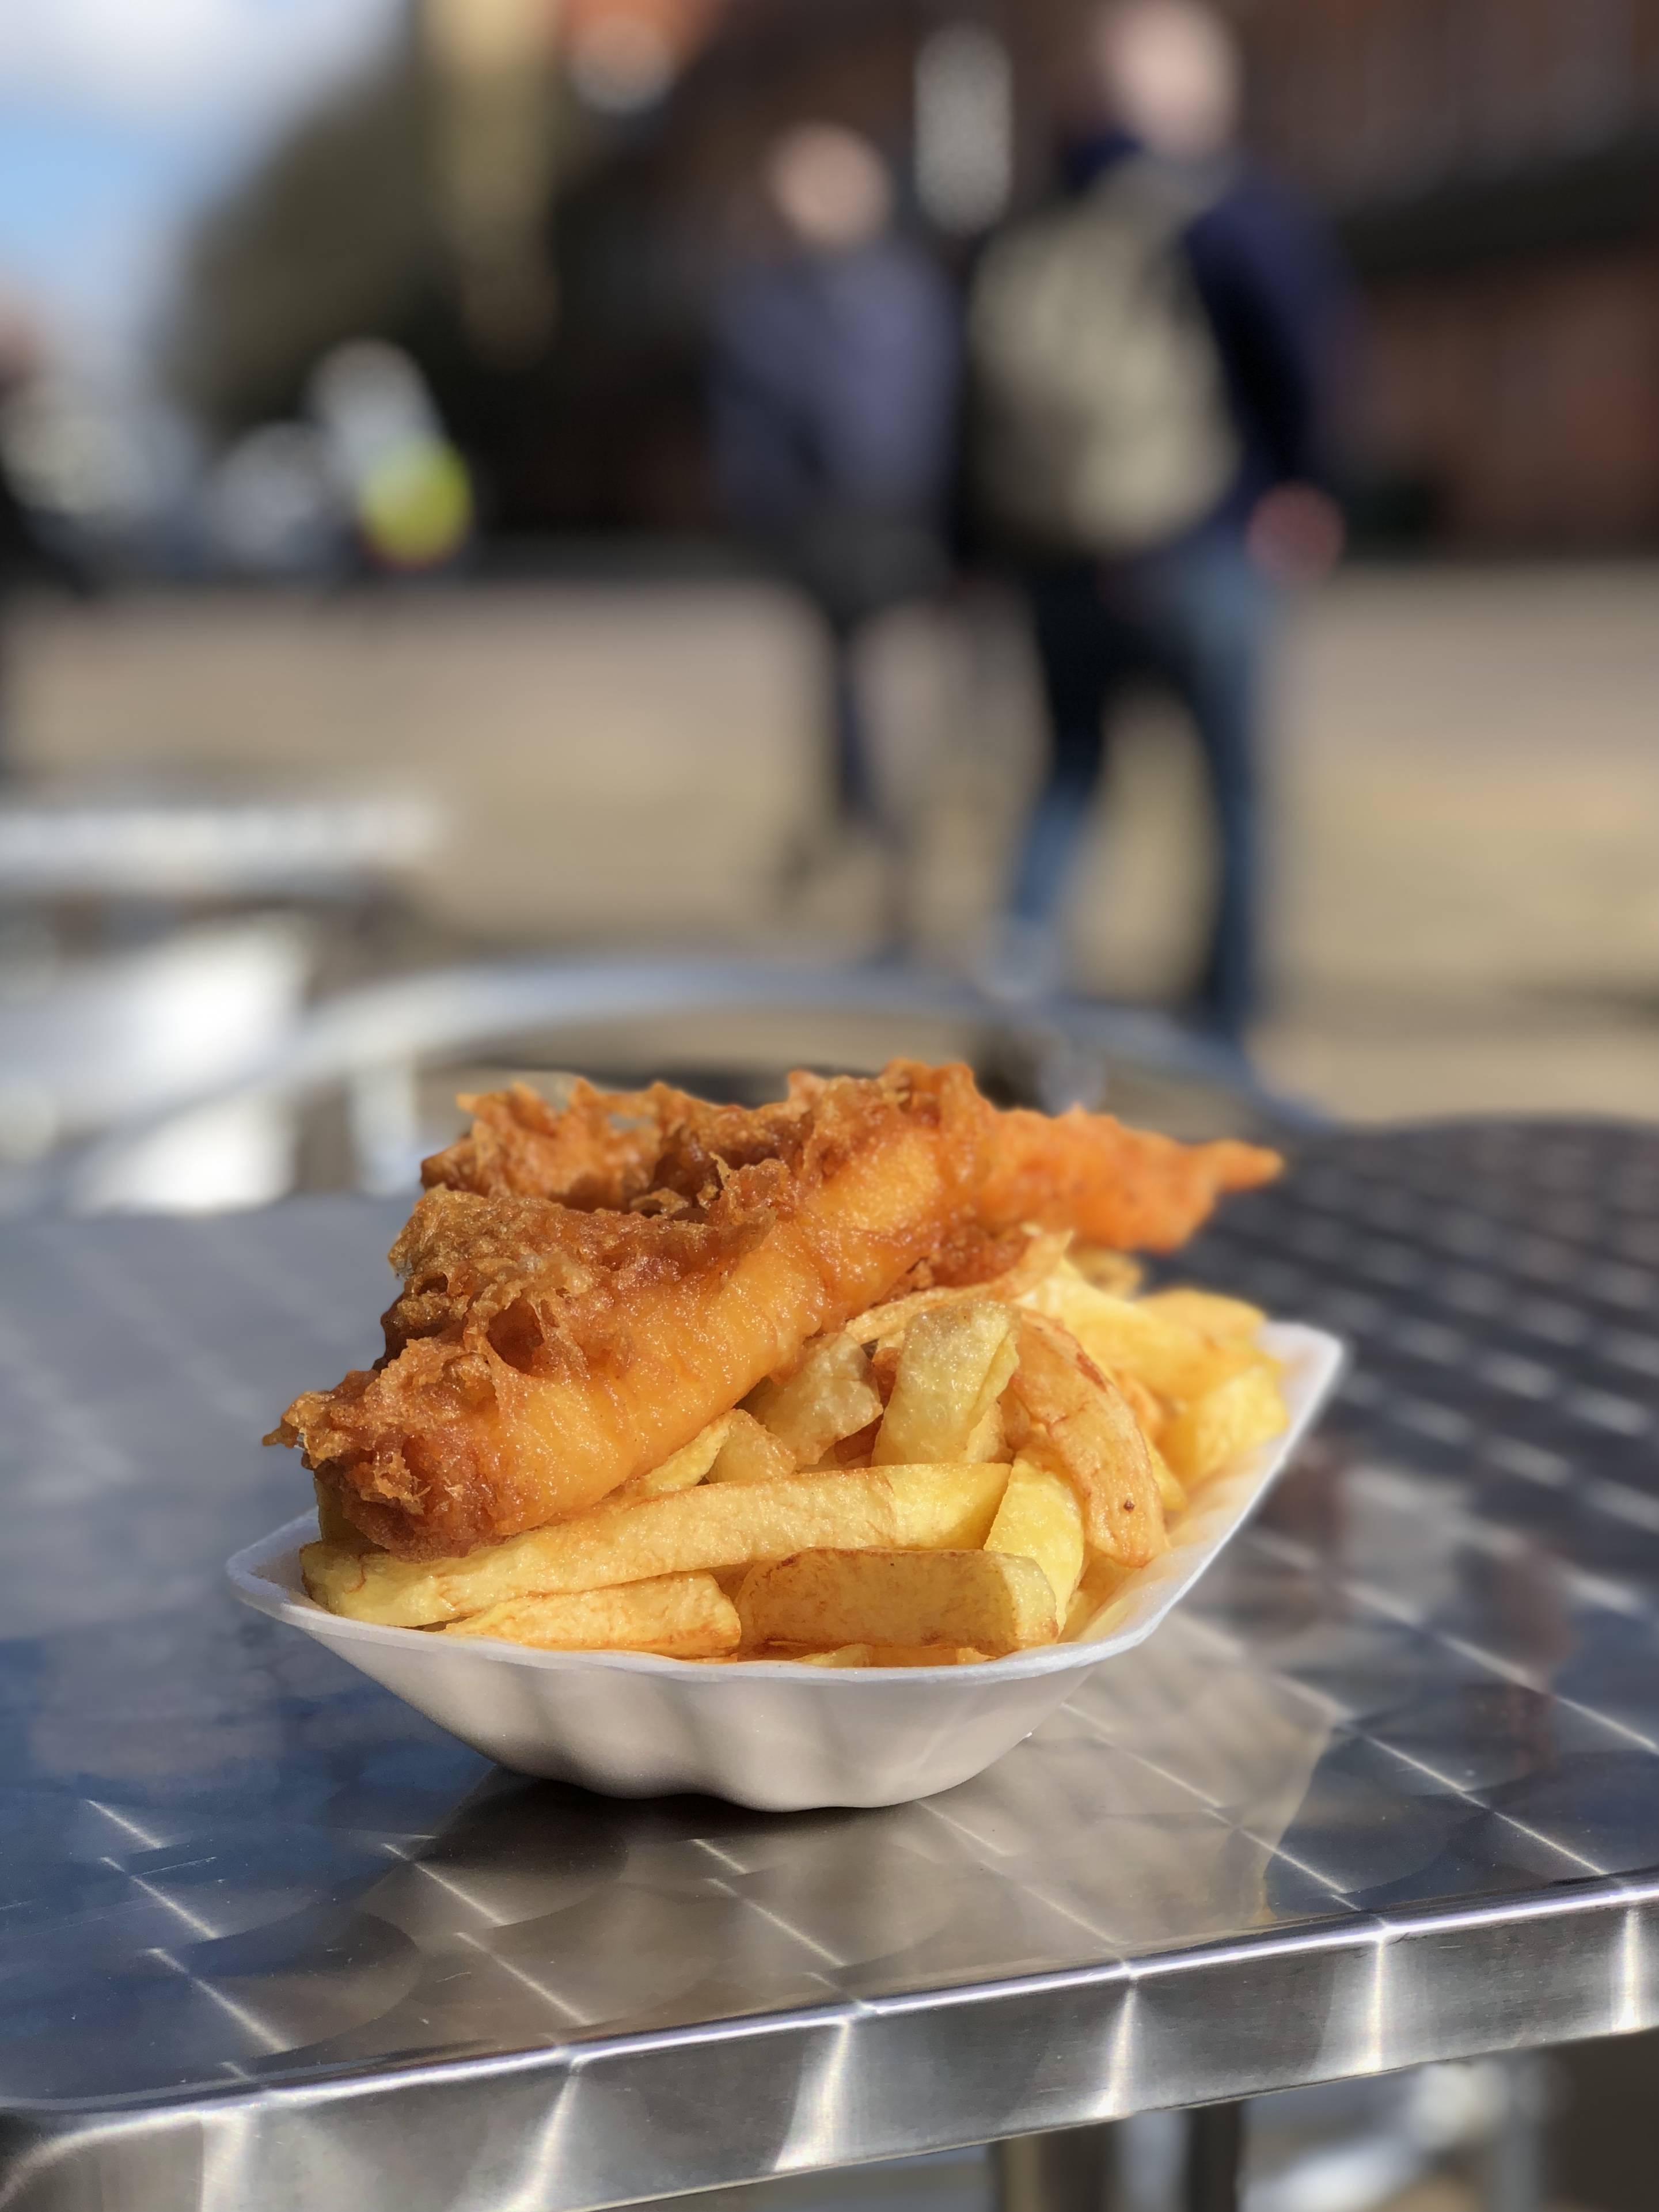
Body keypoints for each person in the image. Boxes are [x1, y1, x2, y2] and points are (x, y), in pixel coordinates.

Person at [968, 0, 1350, 1039]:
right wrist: (1305, 487)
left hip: (1058, 556)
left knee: (1069, 770)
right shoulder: (1235, 211)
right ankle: (1227, 1013)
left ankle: (1017, 965)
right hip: (1202, 544)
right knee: (1230, 791)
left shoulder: (1035, 228)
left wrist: (977, 545)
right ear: (1198, 92)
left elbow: (967, 408)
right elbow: (1303, 366)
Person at [709, 123, 961, 932]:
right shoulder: (761, 309)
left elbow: (958, 411)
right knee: (849, 707)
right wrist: (779, 522)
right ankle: (856, 838)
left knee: (924, 714)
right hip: (823, 538)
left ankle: (913, 869)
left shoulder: (918, 294)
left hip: (916, 532)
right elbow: (745, 440)